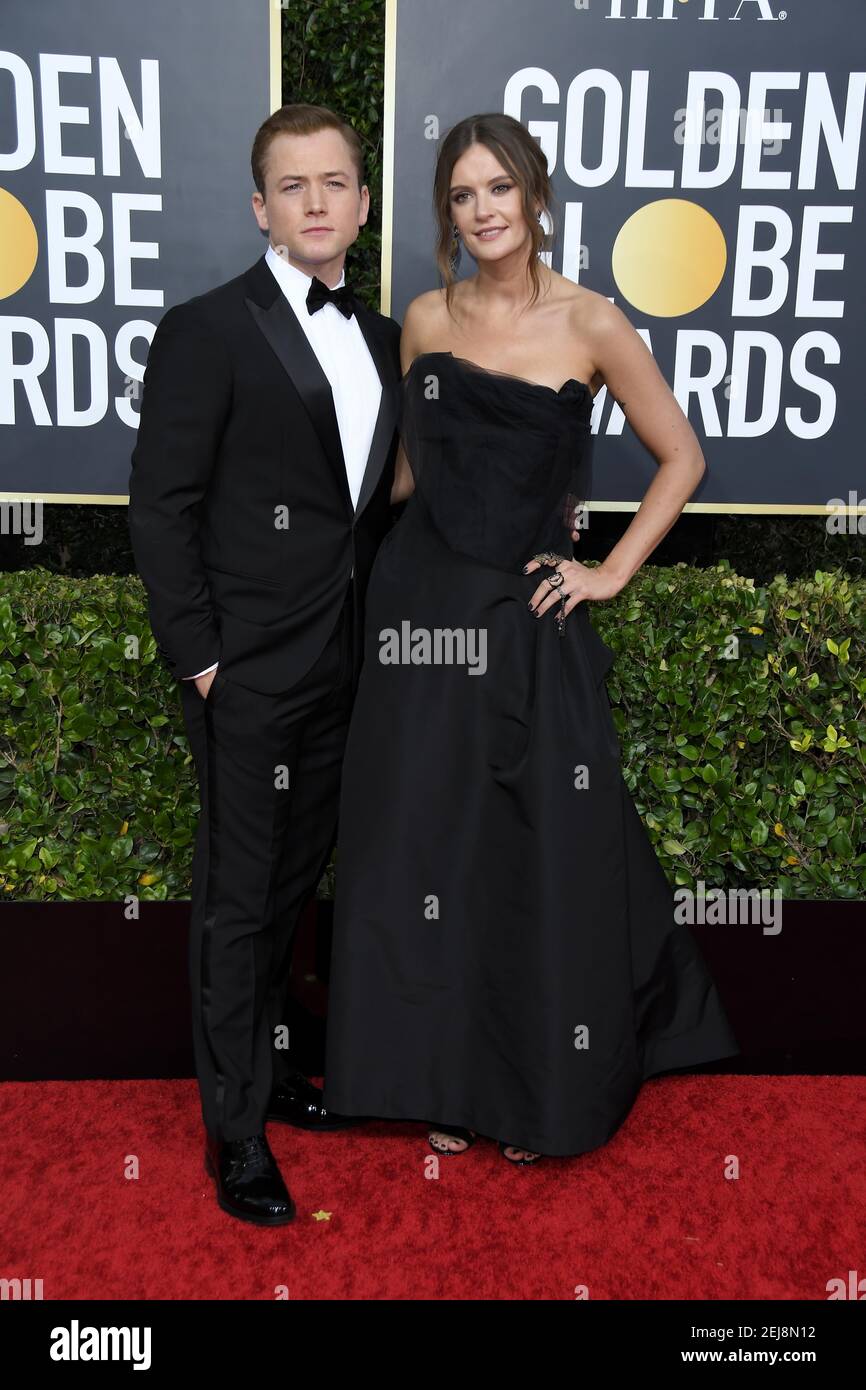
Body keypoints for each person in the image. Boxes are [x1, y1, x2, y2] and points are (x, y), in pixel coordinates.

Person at [322, 112, 740, 1166]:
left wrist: (605, 569)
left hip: (524, 621)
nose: (481, 211)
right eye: (460, 196)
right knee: (424, 847)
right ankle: (443, 1081)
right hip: (418, 615)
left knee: (524, 854)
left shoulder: (591, 323)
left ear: (535, 199)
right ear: (445, 213)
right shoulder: (421, 318)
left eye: (496, 190)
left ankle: (531, 1080)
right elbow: (413, 476)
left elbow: (679, 456)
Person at [128, 104, 402, 1223]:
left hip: (347, 670)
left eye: (335, 183)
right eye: (293, 187)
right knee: (239, 901)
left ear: (362, 204)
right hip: (244, 675)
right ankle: (234, 1130)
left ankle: (274, 1069)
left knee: (294, 883)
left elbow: (374, 507)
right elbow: (161, 508)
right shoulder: (207, 329)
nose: (317, 202)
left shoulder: (385, 340)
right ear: (260, 207)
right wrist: (203, 664)